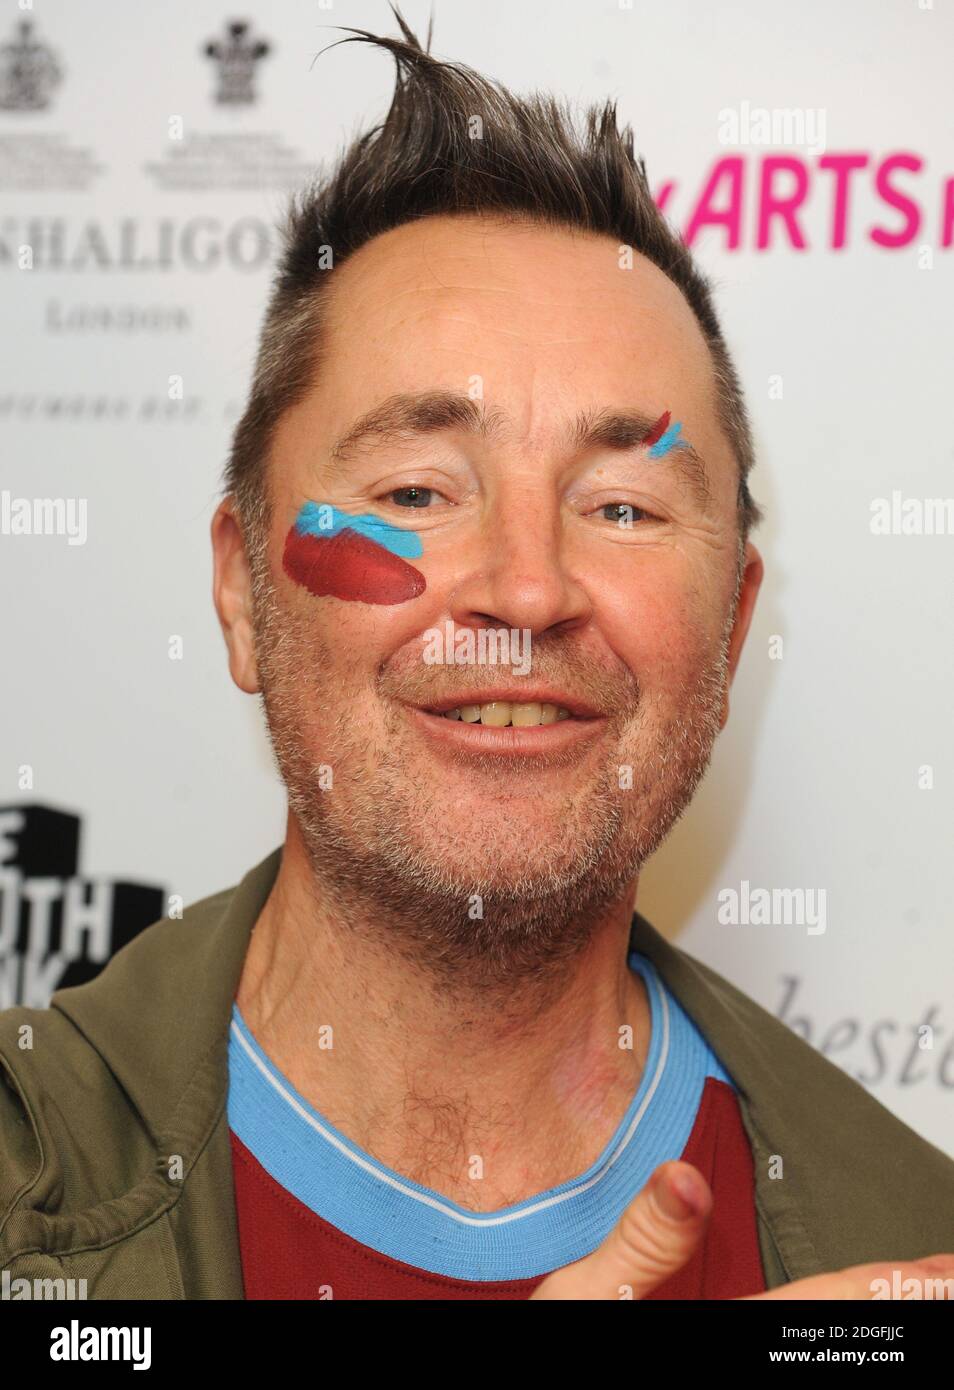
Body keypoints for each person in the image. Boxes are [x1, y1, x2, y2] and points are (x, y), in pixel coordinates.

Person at [2, 8, 952, 1301]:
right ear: (238, 589)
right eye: (414, 490)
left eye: (617, 504)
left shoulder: (898, 1243)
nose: (523, 586)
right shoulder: (23, 1183)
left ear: (730, 628)